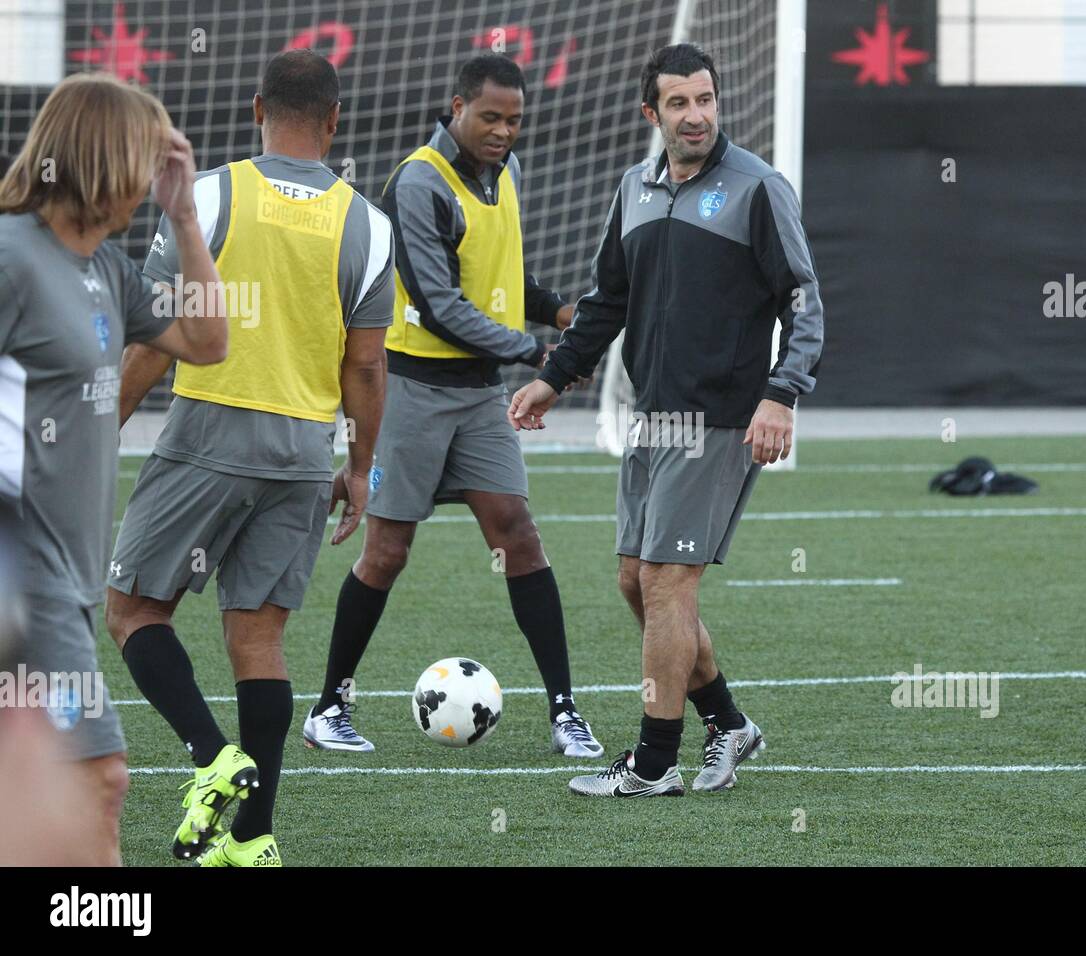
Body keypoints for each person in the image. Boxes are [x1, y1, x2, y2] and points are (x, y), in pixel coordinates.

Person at [510, 43, 824, 797]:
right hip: (652, 417)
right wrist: (555, 377)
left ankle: (654, 763)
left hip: (720, 416)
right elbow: (605, 300)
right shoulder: (634, 187)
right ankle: (729, 722)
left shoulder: (758, 187)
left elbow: (804, 301)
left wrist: (781, 394)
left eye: (706, 99)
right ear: (650, 113)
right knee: (633, 580)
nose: (696, 115)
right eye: (678, 103)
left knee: (666, 584)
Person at [105, 49, 394, 865]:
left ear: (254, 105)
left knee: (131, 610)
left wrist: (98, 429)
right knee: (259, 644)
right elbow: (367, 367)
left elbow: (158, 338)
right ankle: (254, 838)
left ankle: (211, 756)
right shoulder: (369, 224)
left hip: (210, 433)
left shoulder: (212, 195)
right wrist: (360, 467)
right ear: (336, 121)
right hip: (305, 452)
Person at [302, 53, 604, 759]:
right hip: (412, 392)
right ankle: (327, 709)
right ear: (457, 106)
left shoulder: (508, 173)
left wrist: (560, 311)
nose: (503, 131)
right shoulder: (419, 180)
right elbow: (438, 305)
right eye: (491, 117)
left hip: (478, 396)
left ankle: (565, 712)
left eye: (515, 121)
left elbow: (500, 275)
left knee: (518, 534)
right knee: (387, 552)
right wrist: (536, 353)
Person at [0, 73, 226, 863]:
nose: (148, 179)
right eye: (143, 160)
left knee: (30, 793)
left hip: (65, 583)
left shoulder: (107, 268)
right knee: (98, 778)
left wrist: (186, 213)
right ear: (101, 158)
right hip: (25, 587)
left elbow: (207, 341)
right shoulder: (10, 255)